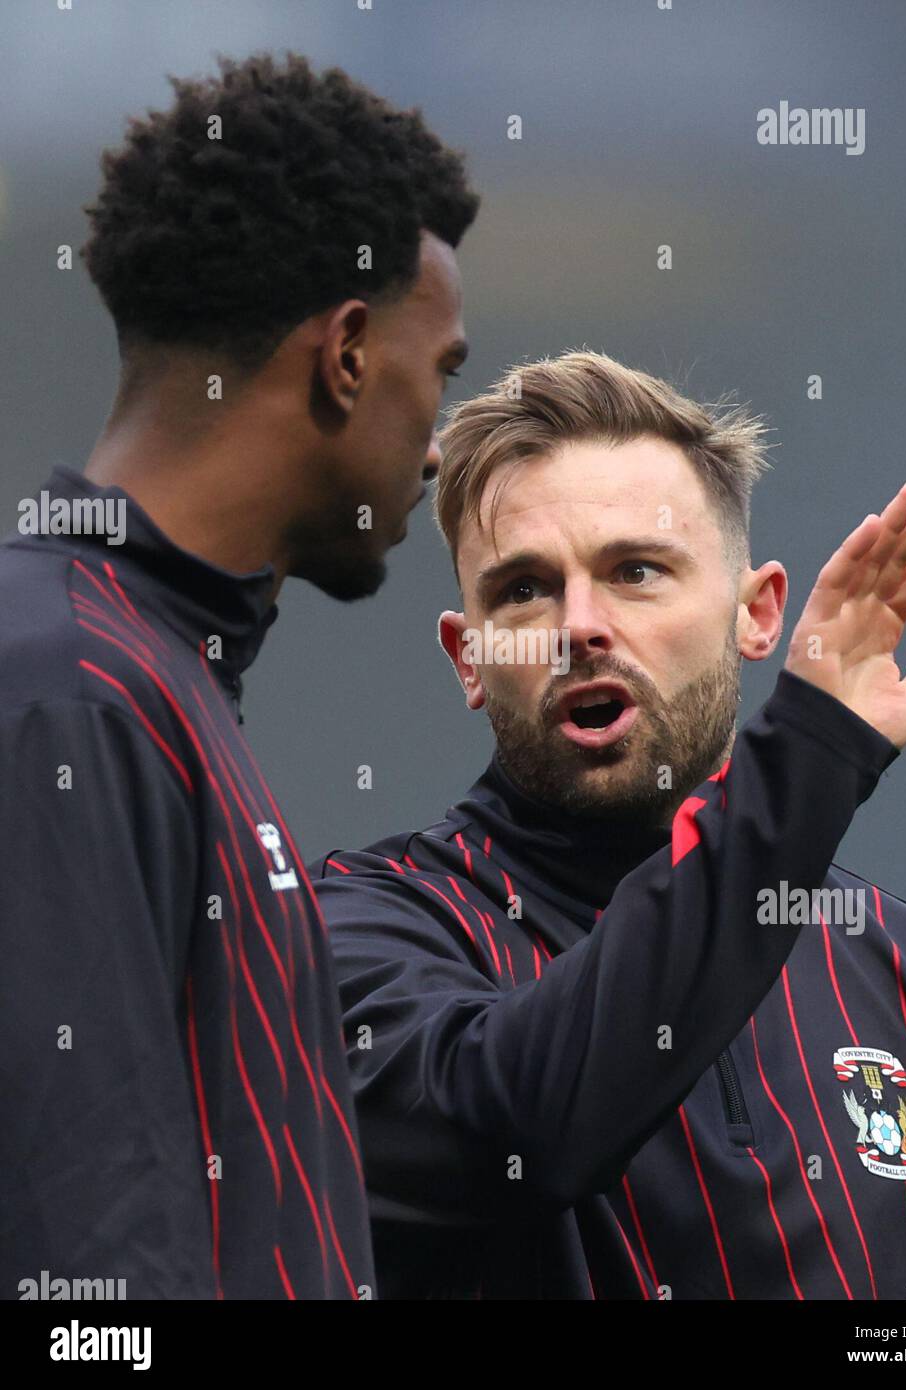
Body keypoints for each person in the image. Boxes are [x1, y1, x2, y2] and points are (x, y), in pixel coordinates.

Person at [312, 351, 906, 1299]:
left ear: (758, 612)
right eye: (523, 589)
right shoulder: (360, 929)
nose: (580, 626)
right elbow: (513, 1128)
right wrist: (808, 756)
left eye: (636, 571)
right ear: (469, 658)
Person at [0, 51, 477, 1300]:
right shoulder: (68, 687)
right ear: (351, 353)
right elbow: (92, 1290)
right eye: (446, 374)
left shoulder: (146, 670)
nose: (438, 447)